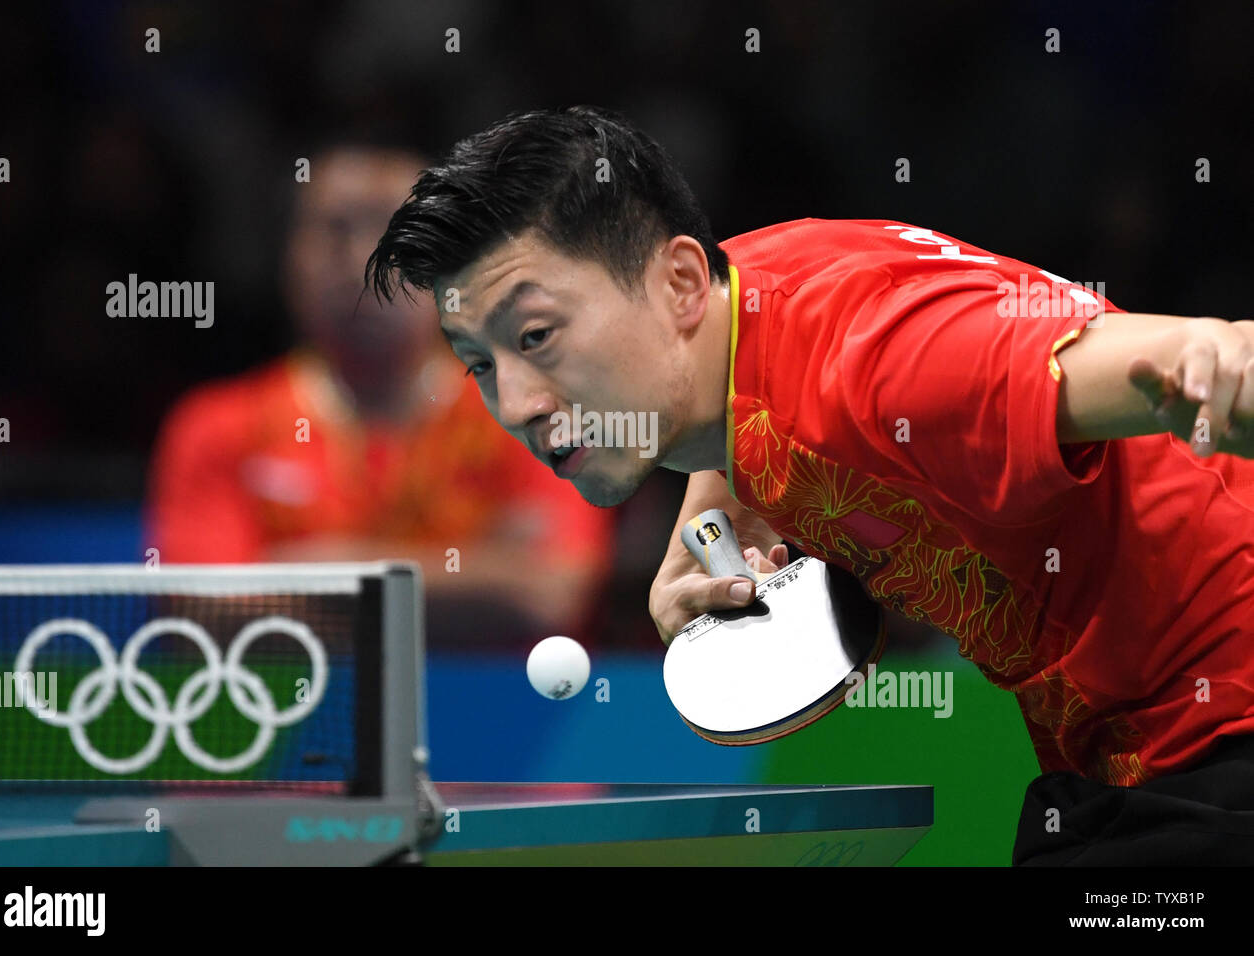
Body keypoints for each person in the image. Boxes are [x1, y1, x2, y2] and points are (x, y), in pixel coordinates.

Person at [366, 105, 1254, 864]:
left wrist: (1212, 361)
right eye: (478, 364)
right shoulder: (733, 305)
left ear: (677, 281)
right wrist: (710, 501)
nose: (516, 404)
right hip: (1115, 753)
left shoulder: (893, 368)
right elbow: (760, 372)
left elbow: (1183, 358)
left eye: (535, 337)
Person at [147, 144, 615, 643]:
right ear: (289, 260)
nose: (364, 258)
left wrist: (311, 568)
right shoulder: (216, 424)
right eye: (334, 230)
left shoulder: (532, 411)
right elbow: (201, 608)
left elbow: (547, 594)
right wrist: (476, 576)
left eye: (396, 230)